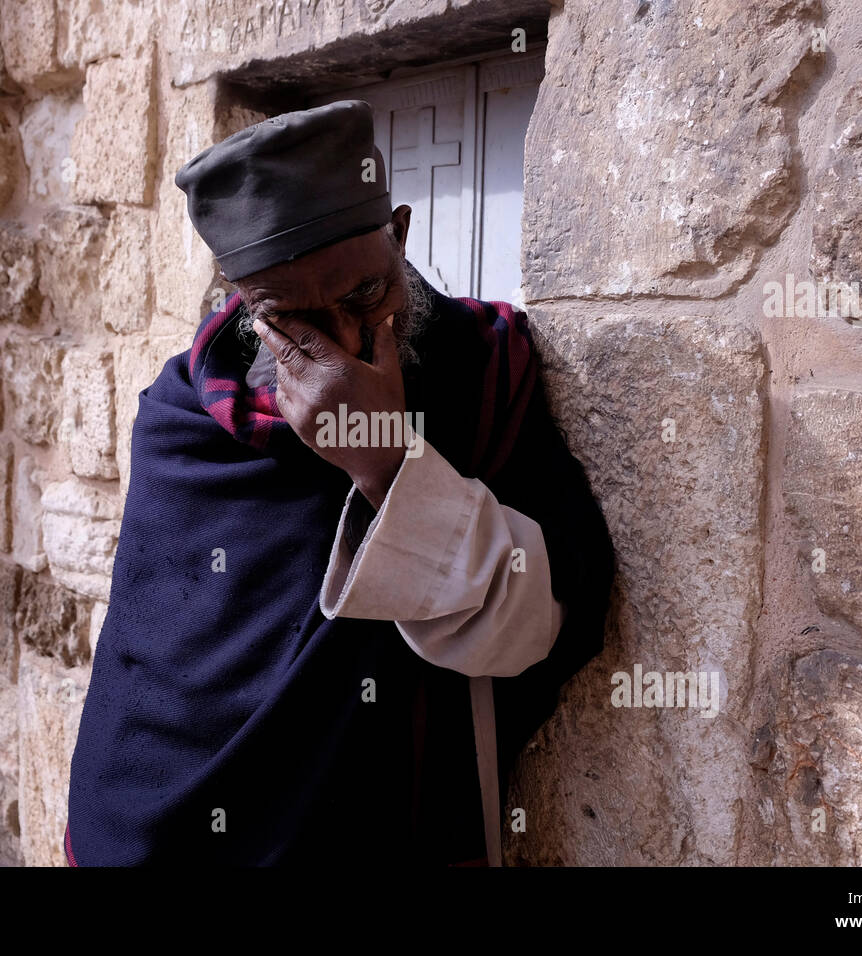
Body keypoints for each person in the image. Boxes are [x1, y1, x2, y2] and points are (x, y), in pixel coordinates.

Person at [65, 99, 614, 866]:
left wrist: (385, 461)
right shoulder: (182, 420)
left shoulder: (483, 376)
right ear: (242, 300)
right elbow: (153, 679)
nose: (348, 344)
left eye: (367, 296)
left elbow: (548, 616)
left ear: (399, 234)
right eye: (296, 321)